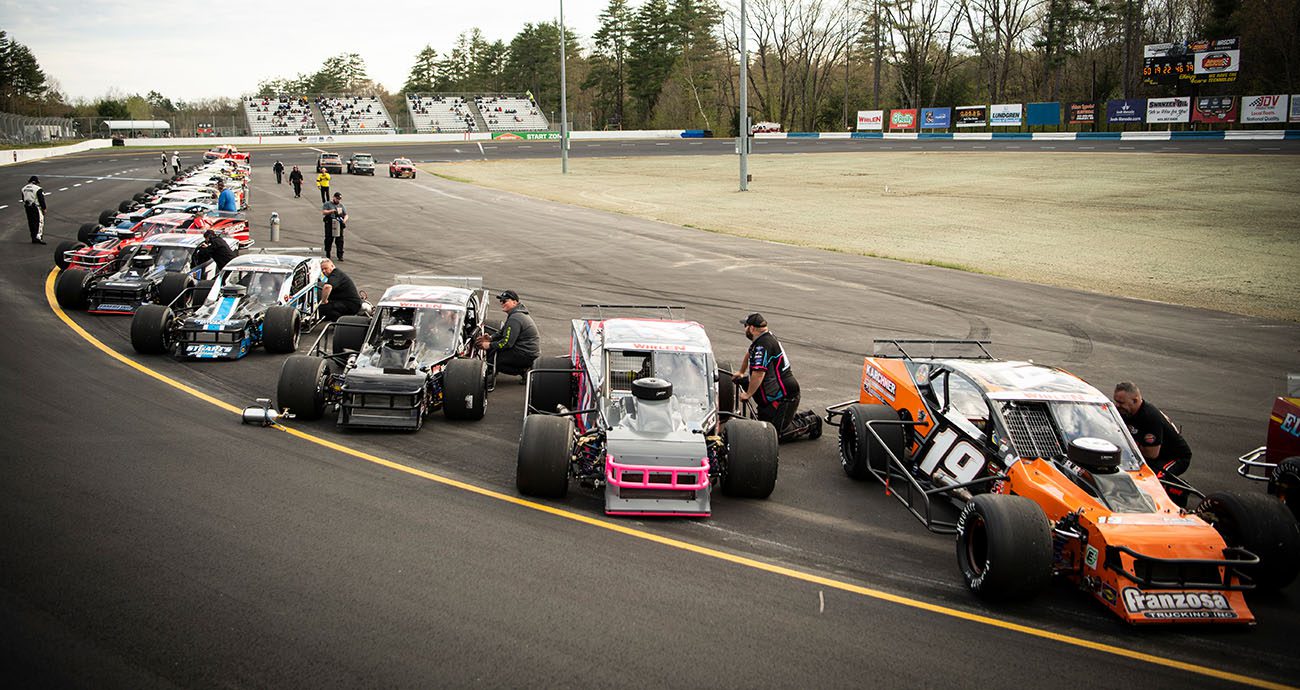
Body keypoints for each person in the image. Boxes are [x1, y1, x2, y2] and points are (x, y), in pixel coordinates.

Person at [732, 313, 820, 442]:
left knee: (776, 434)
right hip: (775, 392)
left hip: (785, 395)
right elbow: (749, 353)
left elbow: (758, 373)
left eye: (745, 326)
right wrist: (741, 372)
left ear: (751, 328)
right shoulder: (764, 339)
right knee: (765, 425)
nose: (744, 329)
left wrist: (748, 394)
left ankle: (813, 422)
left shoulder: (763, 345)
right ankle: (797, 417)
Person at [1114, 381, 1193, 505]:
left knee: (1155, 478)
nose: (1117, 405)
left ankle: (1176, 496)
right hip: (1152, 452)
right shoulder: (1124, 412)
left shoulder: (1149, 417)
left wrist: (1127, 445)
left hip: (1174, 457)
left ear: (1135, 401)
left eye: (1121, 403)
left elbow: (1151, 454)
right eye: (1116, 401)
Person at [475, 290, 540, 388]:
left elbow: (507, 343)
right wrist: (491, 338)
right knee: (493, 350)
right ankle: (523, 369)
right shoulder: (516, 314)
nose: (502, 303)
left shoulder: (515, 318)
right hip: (527, 350)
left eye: (505, 301)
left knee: (494, 358)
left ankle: (522, 370)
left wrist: (488, 345)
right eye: (501, 301)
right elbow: (503, 331)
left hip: (526, 353)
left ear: (515, 302)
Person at [321, 192, 348, 260]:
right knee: (329, 239)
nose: (338, 200)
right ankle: (328, 252)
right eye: (337, 199)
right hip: (330, 222)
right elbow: (324, 212)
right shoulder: (327, 204)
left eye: (339, 199)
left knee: (340, 240)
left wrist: (344, 221)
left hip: (338, 223)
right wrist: (332, 211)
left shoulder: (341, 205)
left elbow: (346, 215)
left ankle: (340, 255)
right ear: (334, 197)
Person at [21, 175, 46, 244]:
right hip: (36, 207)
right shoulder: (38, 189)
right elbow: (41, 200)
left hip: (27, 207)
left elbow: (23, 198)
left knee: (31, 222)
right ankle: (38, 237)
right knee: (39, 222)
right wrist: (44, 208)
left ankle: (33, 237)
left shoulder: (24, 188)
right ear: (36, 182)